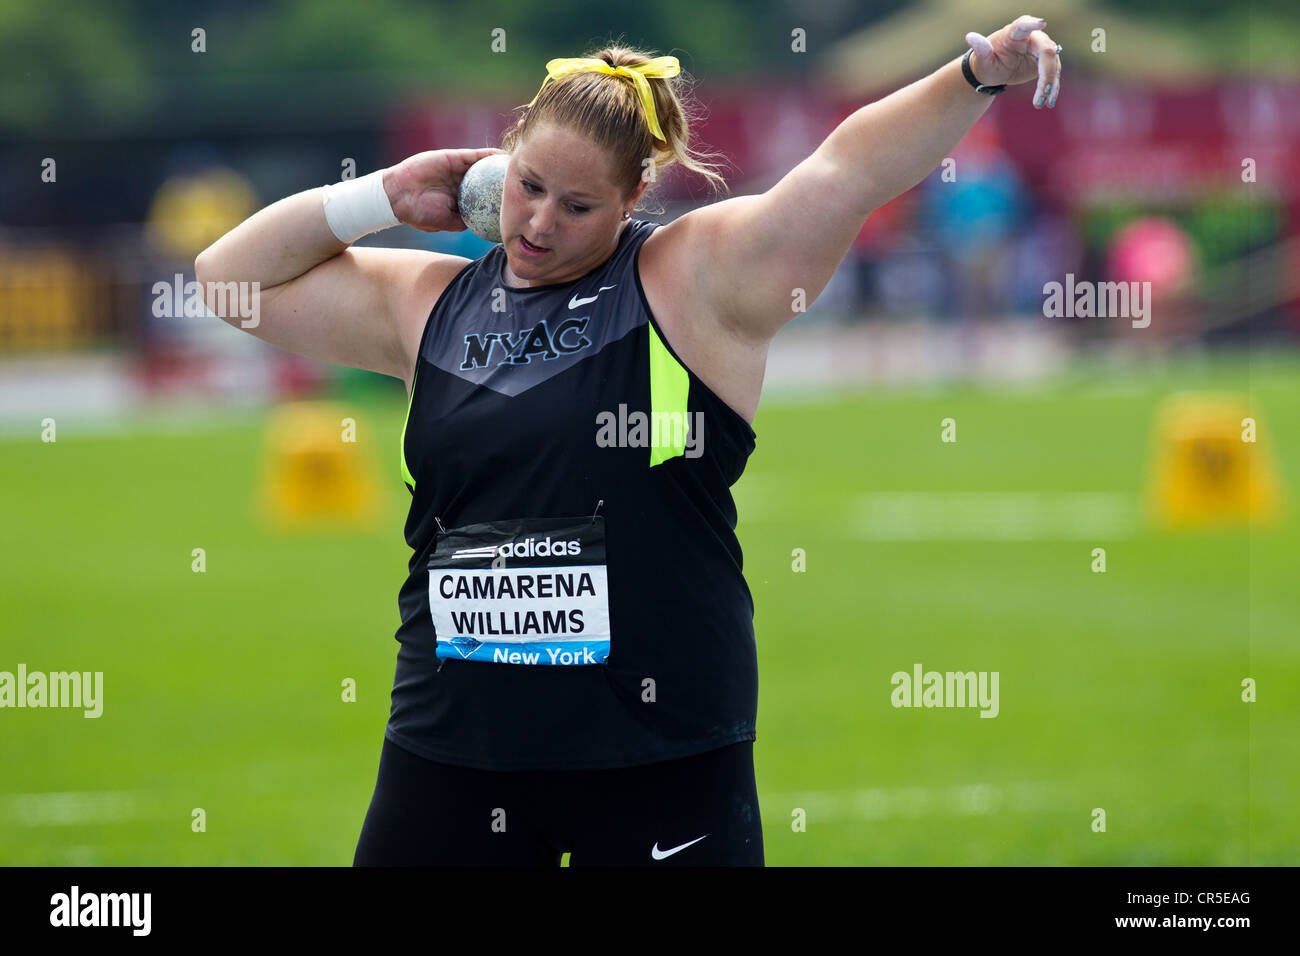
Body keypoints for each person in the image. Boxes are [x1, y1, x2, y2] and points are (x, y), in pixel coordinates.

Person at [195, 15, 1061, 866]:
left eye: (577, 206)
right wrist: (382, 194)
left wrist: (977, 76)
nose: (537, 224)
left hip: (661, 751)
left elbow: (844, 171)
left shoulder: (694, 283)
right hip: (455, 747)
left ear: (633, 197)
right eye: (527, 186)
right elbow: (228, 280)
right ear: (500, 161)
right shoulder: (429, 302)